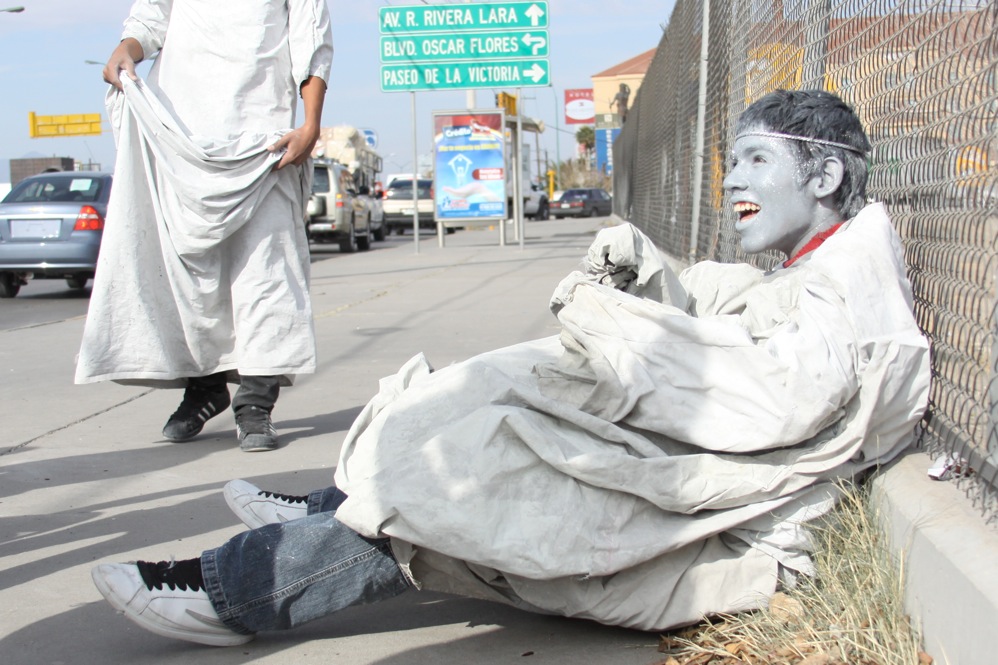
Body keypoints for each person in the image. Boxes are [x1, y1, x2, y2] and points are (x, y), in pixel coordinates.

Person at [90, 90, 931, 646]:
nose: (731, 180)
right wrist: (647, 279)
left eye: (755, 161)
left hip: (728, 523)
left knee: (474, 481)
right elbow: (746, 319)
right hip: (709, 484)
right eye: (734, 159)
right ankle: (326, 508)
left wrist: (617, 325)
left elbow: (755, 405)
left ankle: (233, 590)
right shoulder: (833, 264)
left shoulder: (847, 303)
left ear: (821, 174)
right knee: (474, 441)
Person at [73, 1, 333, 452]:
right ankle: (205, 387)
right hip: (180, 142)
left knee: (267, 278)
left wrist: (310, 123)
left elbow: (310, 41)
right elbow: (150, 20)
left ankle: (255, 404)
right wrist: (127, 48)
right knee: (195, 281)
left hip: (263, 143)